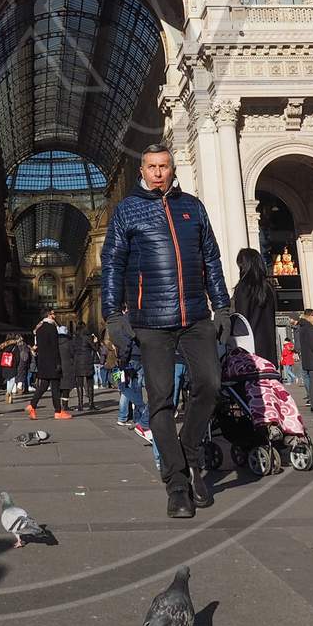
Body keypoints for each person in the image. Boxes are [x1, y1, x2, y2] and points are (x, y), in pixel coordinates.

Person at [101, 142, 230, 519]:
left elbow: (212, 259)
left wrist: (221, 306)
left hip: (195, 316)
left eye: (164, 166)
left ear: (173, 170)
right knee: (160, 400)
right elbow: (112, 263)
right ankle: (177, 484)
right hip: (150, 321)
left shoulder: (192, 207)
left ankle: (189, 453)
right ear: (142, 171)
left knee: (210, 385)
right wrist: (113, 315)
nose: (158, 172)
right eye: (151, 166)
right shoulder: (127, 210)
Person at [232, 247, 279, 365]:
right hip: (268, 349)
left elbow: (241, 320)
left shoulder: (243, 288)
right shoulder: (269, 288)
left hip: (250, 349)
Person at [26, 308, 68, 419]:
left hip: (43, 362)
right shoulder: (52, 328)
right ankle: (58, 412)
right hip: (52, 362)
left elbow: (38, 346)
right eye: (53, 314)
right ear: (49, 315)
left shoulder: (39, 329)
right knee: (55, 387)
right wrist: (58, 363)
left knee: (43, 386)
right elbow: (55, 347)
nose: (55, 316)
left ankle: (32, 405)